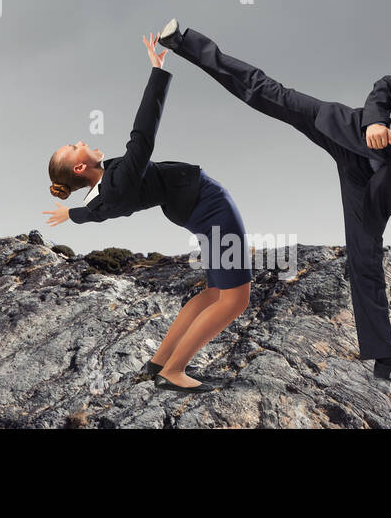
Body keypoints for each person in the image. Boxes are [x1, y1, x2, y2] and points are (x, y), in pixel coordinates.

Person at [154, 17, 391, 388]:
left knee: (366, 261)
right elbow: (385, 87)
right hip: (348, 133)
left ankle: (385, 363)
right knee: (271, 92)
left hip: (374, 190)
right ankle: (184, 41)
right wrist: (374, 122)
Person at [44, 33, 252, 392]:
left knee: (215, 294)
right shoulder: (120, 179)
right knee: (235, 299)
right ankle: (174, 370)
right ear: (79, 169)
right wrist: (158, 73)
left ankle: (159, 362)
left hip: (194, 210)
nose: (80, 141)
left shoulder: (101, 195)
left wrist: (72, 215)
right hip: (210, 206)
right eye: (73, 147)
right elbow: (143, 134)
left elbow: (95, 214)